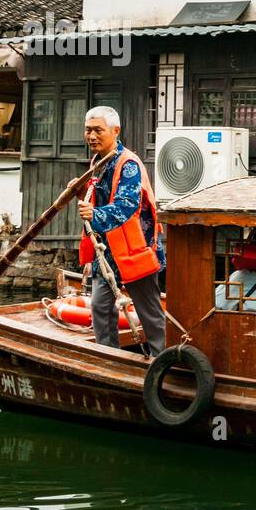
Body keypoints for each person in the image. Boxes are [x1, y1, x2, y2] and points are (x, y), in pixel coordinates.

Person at [75, 106, 166, 356]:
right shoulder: (97, 161)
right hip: (106, 250)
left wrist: (95, 214)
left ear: (115, 131)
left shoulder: (129, 164)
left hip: (135, 247)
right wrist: (80, 189)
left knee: (149, 310)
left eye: (98, 130)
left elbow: (127, 206)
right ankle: (109, 357)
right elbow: (98, 195)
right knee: (100, 306)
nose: (91, 136)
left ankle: (162, 360)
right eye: (88, 130)